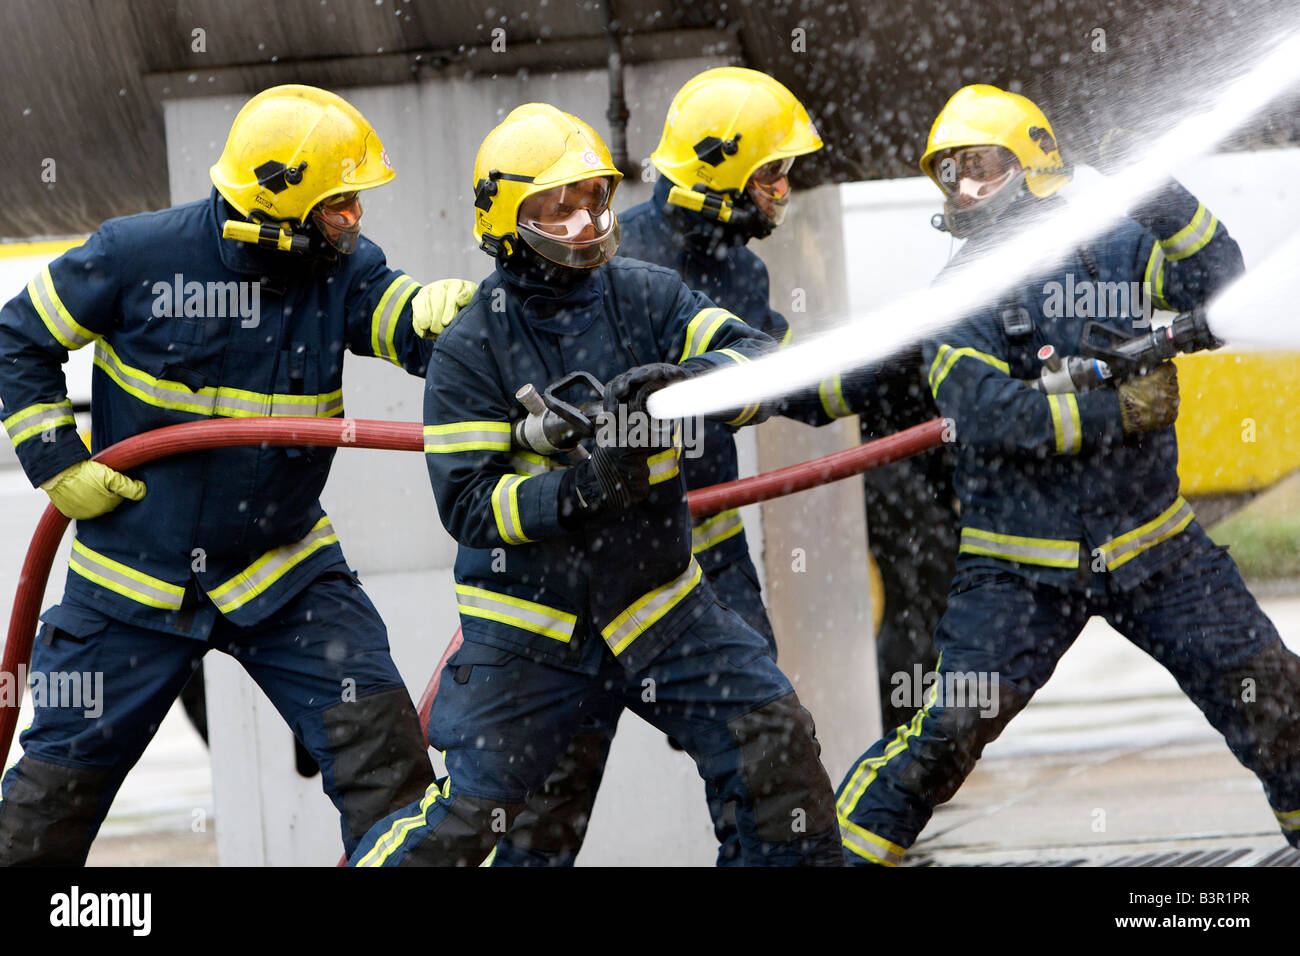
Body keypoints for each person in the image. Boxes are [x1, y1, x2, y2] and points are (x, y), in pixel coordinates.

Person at [348, 102, 841, 867]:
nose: (584, 222)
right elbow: (469, 505)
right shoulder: (471, 346)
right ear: (507, 218)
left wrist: (692, 380)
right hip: (529, 636)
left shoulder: (647, 295)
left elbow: (755, 358)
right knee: (483, 827)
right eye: (559, 205)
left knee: (775, 751)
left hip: (660, 608)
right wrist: (579, 490)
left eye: (594, 200)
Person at [0, 84, 474, 864]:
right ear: (277, 208)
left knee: (388, 773)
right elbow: (20, 338)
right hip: (130, 586)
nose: (354, 221)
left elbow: (392, 315)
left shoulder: (341, 270)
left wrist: (435, 317)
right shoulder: (134, 255)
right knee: (45, 813)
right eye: (339, 205)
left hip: (284, 575)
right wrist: (57, 463)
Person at [834, 84, 1300, 865]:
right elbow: (989, 414)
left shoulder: (1119, 246)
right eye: (950, 175)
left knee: (1276, 701)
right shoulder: (961, 294)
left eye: (981, 166)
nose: (965, 190)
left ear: (1036, 163)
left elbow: (1219, 282)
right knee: (946, 734)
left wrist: (1156, 189)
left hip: (1159, 553)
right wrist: (1121, 413)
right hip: (1019, 571)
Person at [491, 66, 883, 867]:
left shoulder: (740, 269)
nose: (782, 189)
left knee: (760, 748)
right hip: (598, 562)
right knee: (552, 779)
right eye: (770, 173)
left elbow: (777, 383)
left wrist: (890, 365)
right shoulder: (620, 262)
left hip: (709, 552)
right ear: (720, 171)